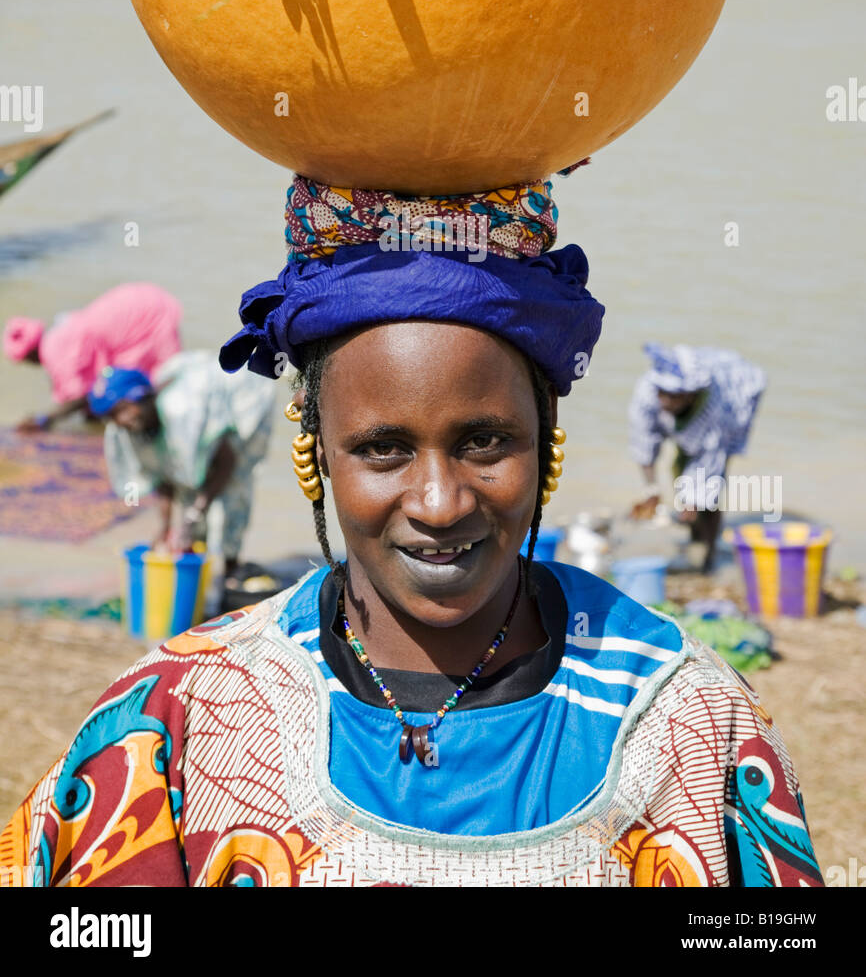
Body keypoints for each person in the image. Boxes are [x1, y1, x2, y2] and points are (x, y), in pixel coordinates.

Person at [1, 180, 819, 887]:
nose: (438, 501)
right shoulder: (179, 722)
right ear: (315, 455)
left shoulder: (686, 725)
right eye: (383, 449)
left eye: (485, 441)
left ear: (548, 441)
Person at [89, 351, 275, 582]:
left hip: (244, 398)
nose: (123, 419)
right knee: (189, 488)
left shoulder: (184, 412)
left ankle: (230, 566)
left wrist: (194, 513)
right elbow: (162, 475)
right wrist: (166, 527)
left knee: (233, 487)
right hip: (199, 393)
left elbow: (228, 461)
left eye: (125, 409)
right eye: (113, 416)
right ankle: (198, 563)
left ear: (144, 398)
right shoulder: (131, 428)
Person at [628, 343, 767, 572]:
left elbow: (711, 460)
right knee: (681, 472)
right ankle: (695, 537)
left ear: (691, 395)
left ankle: (709, 552)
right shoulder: (647, 394)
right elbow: (643, 442)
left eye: (674, 396)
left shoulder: (716, 407)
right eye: (662, 393)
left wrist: (694, 497)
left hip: (739, 390)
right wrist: (651, 489)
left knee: (708, 494)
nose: (665, 401)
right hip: (698, 413)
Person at [3, 282, 182, 432]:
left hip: (143, 317)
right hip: (142, 301)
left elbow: (81, 395)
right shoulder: (58, 333)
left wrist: (46, 419)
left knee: (160, 385)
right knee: (135, 389)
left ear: (28, 356)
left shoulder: (55, 352)